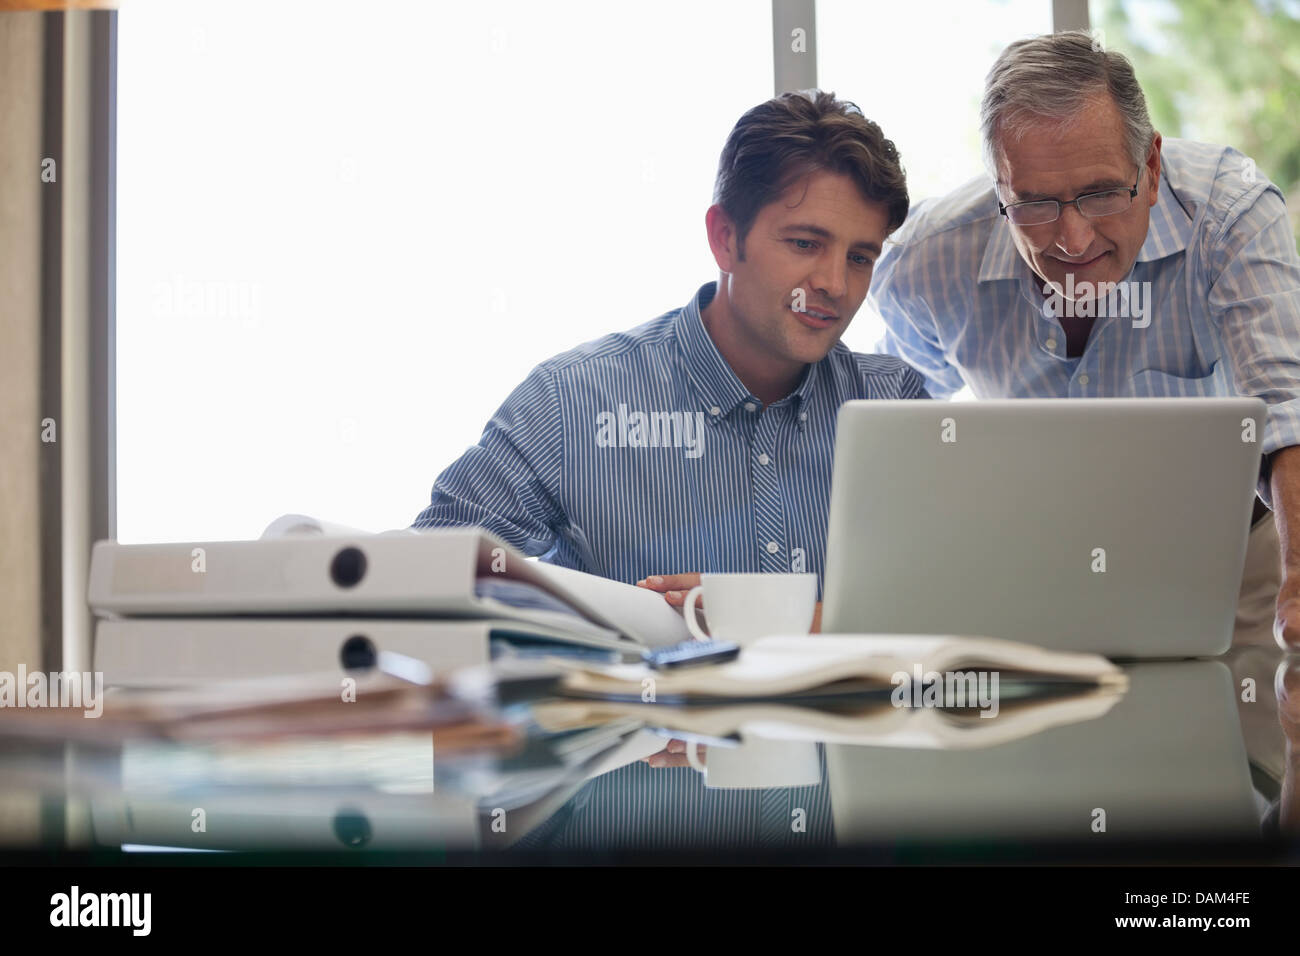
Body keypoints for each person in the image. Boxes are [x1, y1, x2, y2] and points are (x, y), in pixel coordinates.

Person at [413, 90, 926, 632]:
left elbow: (966, 607)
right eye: (804, 243)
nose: (834, 284)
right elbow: (424, 584)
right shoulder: (571, 401)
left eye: (860, 257)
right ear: (725, 239)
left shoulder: (895, 404)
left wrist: (803, 621)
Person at [870, 31, 1300, 650]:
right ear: (998, 190)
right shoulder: (926, 264)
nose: (1071, 240)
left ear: (1150, 168)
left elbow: (1287, 408)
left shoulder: (1229, 216)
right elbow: (892, 446)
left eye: (1100, 194)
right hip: (1044, 566)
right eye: (1035, 204)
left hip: (1238, 558)